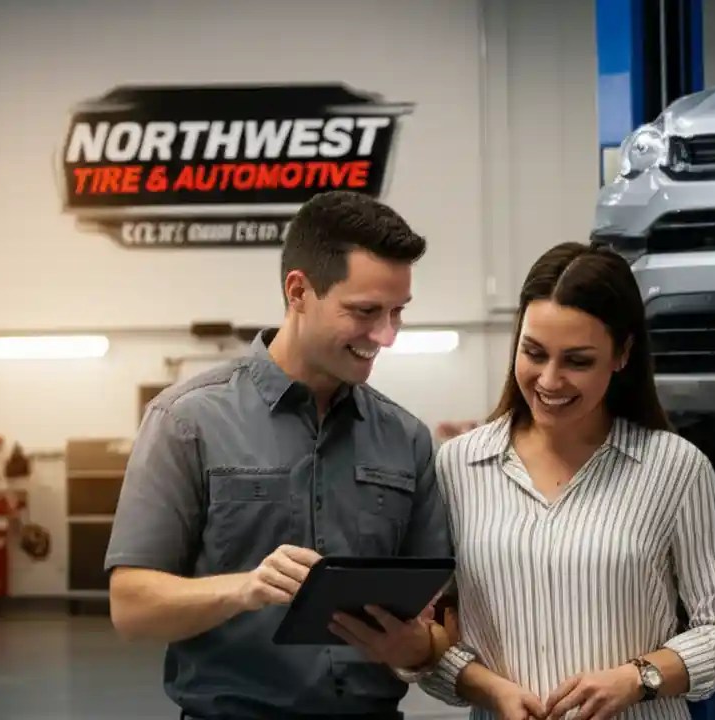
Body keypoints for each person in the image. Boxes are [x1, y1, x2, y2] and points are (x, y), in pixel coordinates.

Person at [339, 241, 715, 720]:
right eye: (534, 353)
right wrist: (489, 688)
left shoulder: (675, 469)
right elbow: (435, 643)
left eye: (578, 361)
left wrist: (636, 678)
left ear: (622, 354)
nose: (550, 380)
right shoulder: (457, 468)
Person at [103, 190, 453, 720]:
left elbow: (440, 621)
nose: (386, 336)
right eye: (364, 312)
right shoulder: (186, 422)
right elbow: (131, 607)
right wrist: (243, 589)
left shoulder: (406, 438)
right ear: (298, 291)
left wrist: (418, 648)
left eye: (397, 312)